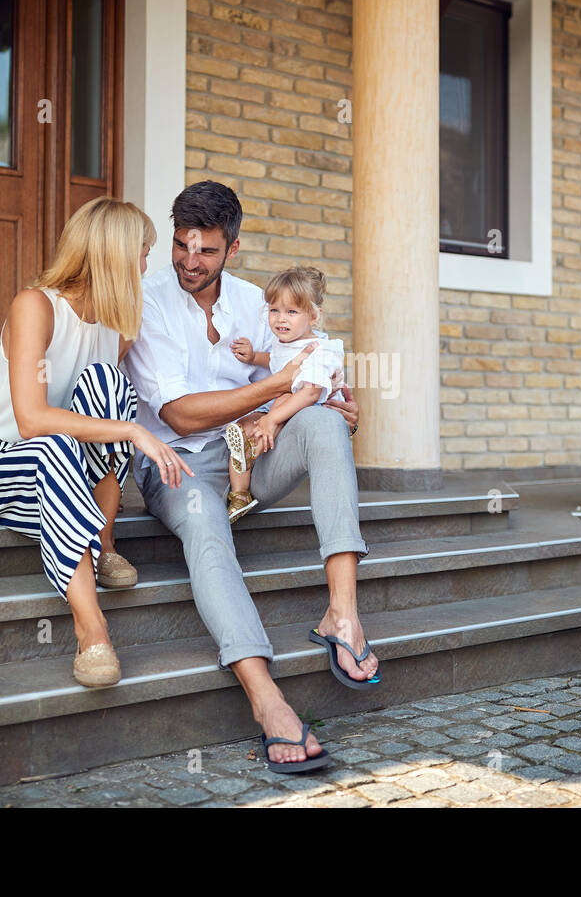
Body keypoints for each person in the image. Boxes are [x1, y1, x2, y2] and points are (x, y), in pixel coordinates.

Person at [122, 180, 380, 773]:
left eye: (207, 250)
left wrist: (337, 398)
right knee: (205, 523)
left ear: (232, 249)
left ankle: (343, 615)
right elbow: (180, 413)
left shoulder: (252, 302)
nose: (191, 260)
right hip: (176, 463)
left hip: (248, 455)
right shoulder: (148, 300)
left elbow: (308, 360)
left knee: (324, 422)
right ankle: (267, 702)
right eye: (182, 245)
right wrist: (277, 389)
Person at [0, 197, 194, 688]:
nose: (146, 263)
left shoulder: (115, 329)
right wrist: (134, 431)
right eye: (143, 251)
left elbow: (115, 407)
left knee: (109, 384)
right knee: (54, 444)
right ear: (115, 254)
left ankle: (105, 543)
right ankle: (92, 631)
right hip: (2, 466)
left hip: (70, 472)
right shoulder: (36, 306)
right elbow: (31, 420)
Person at [225, 265, 345, 523]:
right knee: (242, 426)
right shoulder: (287, 342)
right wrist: (254, 356)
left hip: (312, 413)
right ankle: (239, 494)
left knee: (276, 406)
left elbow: (310, 394)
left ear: (314, 316)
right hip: (286, 407)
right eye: (275, 310)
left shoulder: (320, 349)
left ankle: (252, 451)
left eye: (291, 311)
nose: (281, 319)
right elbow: (277, 361)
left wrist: (272, 419)